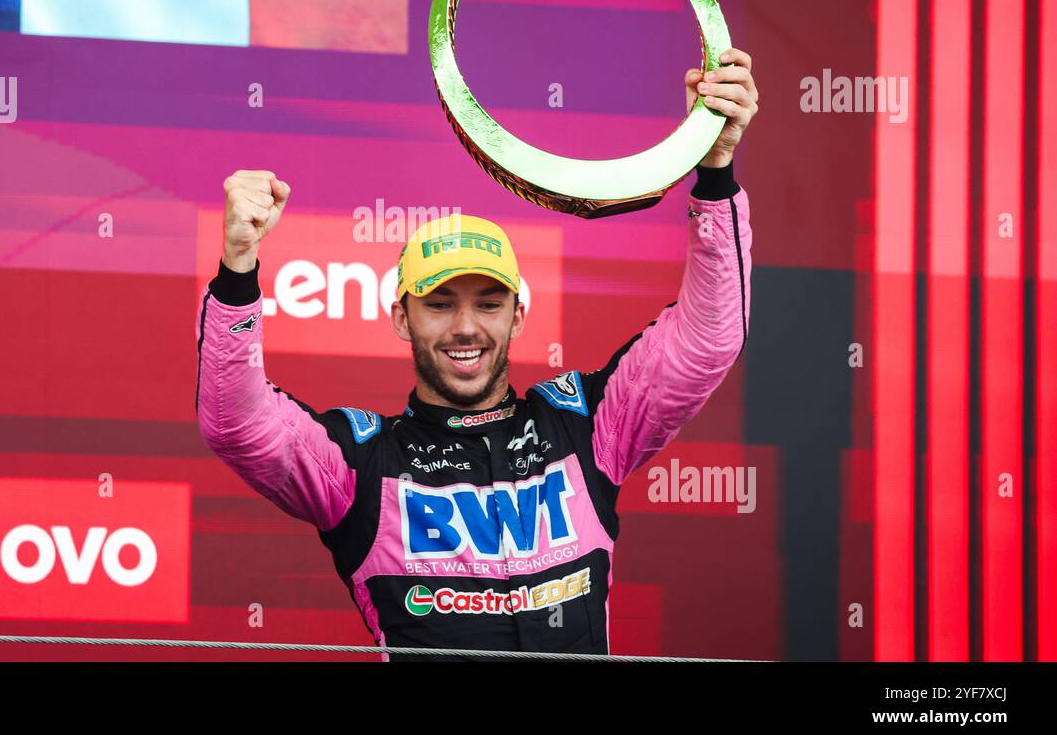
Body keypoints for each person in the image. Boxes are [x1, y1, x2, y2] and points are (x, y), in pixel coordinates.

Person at [195, 50, 758, 659]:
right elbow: (236, 424)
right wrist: (238, 268)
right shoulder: (359, 463)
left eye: (488, 304)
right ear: (400, 318)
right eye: (439, 305)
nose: (466, 328)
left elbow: (709, 339)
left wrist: (715, 168)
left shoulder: (586, 424)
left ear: (518, 315)